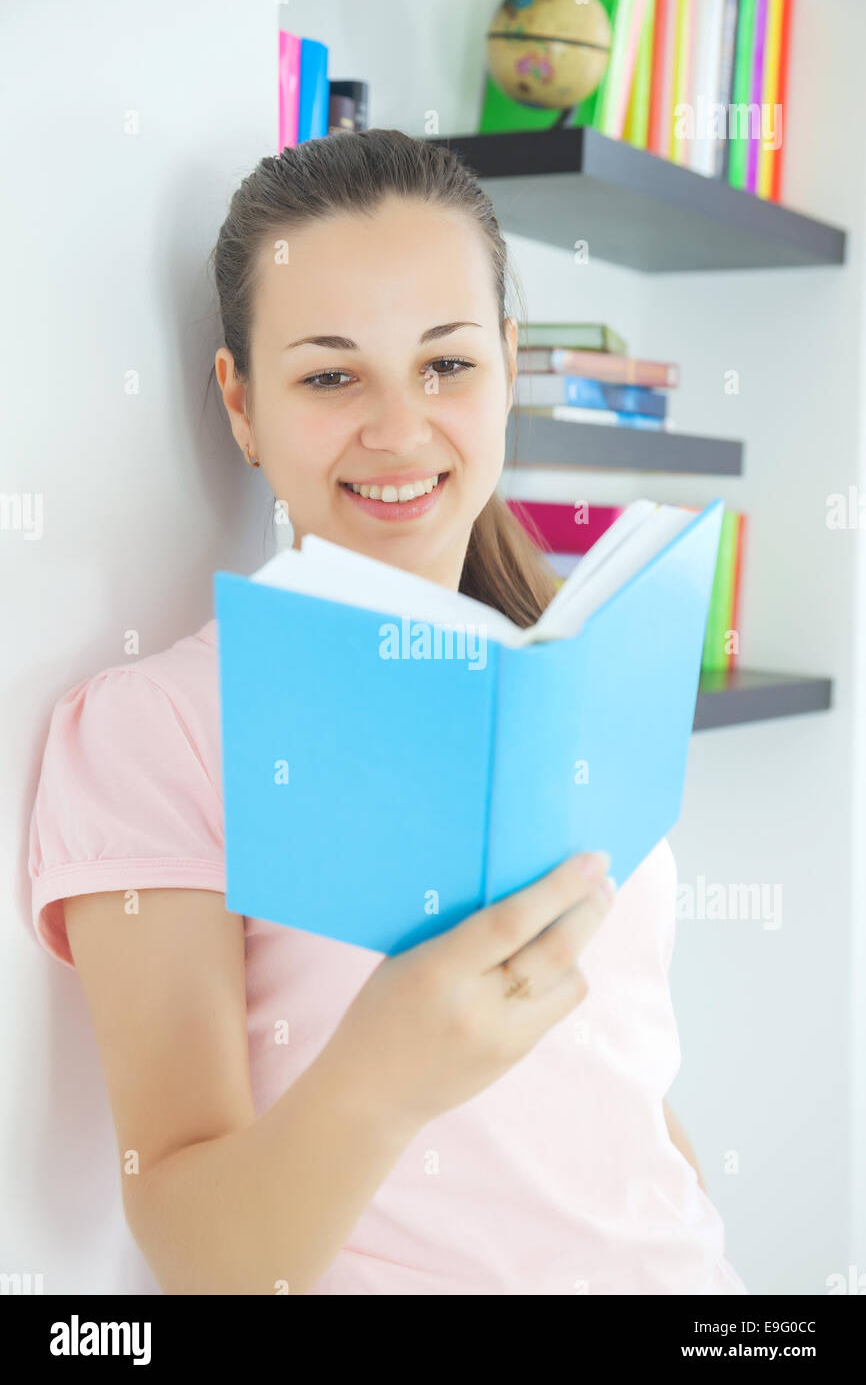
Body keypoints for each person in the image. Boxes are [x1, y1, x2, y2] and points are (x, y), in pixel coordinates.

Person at [28, 128, 746, 1296]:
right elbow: (198, 1253)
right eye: (327, 374)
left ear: (508, 368)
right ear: (241, 403)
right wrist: (387, 1070)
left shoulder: (568, 672)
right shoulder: (159, 727)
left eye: (446, 364)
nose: (399, 429)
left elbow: (611, 1061)